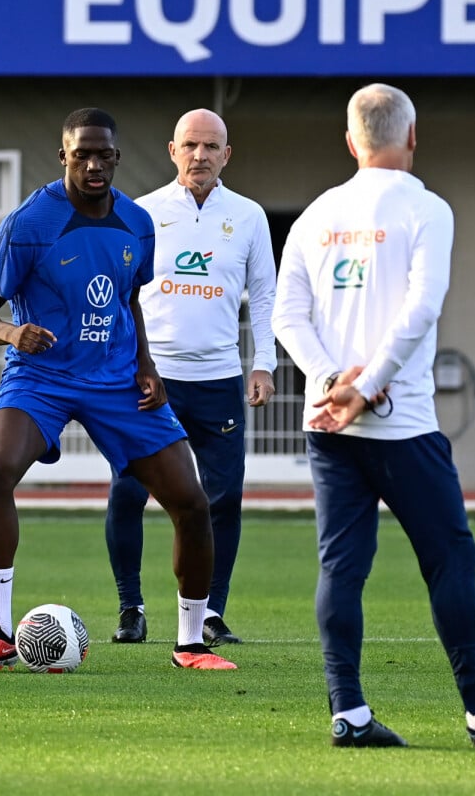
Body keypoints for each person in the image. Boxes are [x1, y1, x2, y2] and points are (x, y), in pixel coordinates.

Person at [271, 83, 475, 747]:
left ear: (350, 142)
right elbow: (422, 307)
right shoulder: (427, 208)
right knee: (449, 557)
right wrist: (368, 385)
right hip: (399, 421)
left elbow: (287, 316)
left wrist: (330, 380)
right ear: (412, 137)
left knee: (341, 569)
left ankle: (348, 714)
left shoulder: (316, 213)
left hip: (330, 424)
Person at [0, 107, 236, 671]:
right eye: (83, 155)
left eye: (104, 155)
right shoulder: (30, 223)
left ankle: (192, 644)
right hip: (42, 379)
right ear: (64, 158)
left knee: (192, 502)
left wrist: (147, 365)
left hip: (116, 380)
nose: (94, 165)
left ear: (117, 159)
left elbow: (129, 298)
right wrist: (11, 332)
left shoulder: (137, 223)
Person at [104, 108, 277, 647]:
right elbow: (120, 293)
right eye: (190, 145)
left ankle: (209, 613)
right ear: (171, 150)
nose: (199, 155)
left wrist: (264, 361)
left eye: (211, 147)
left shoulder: (248, 216)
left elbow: (265, 296)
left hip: (220, 378)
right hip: (152, 380)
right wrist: (124, 363)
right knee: (128, 493)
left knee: (222, 500)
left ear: (227, 154)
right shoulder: (140, 213)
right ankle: (130, 608)